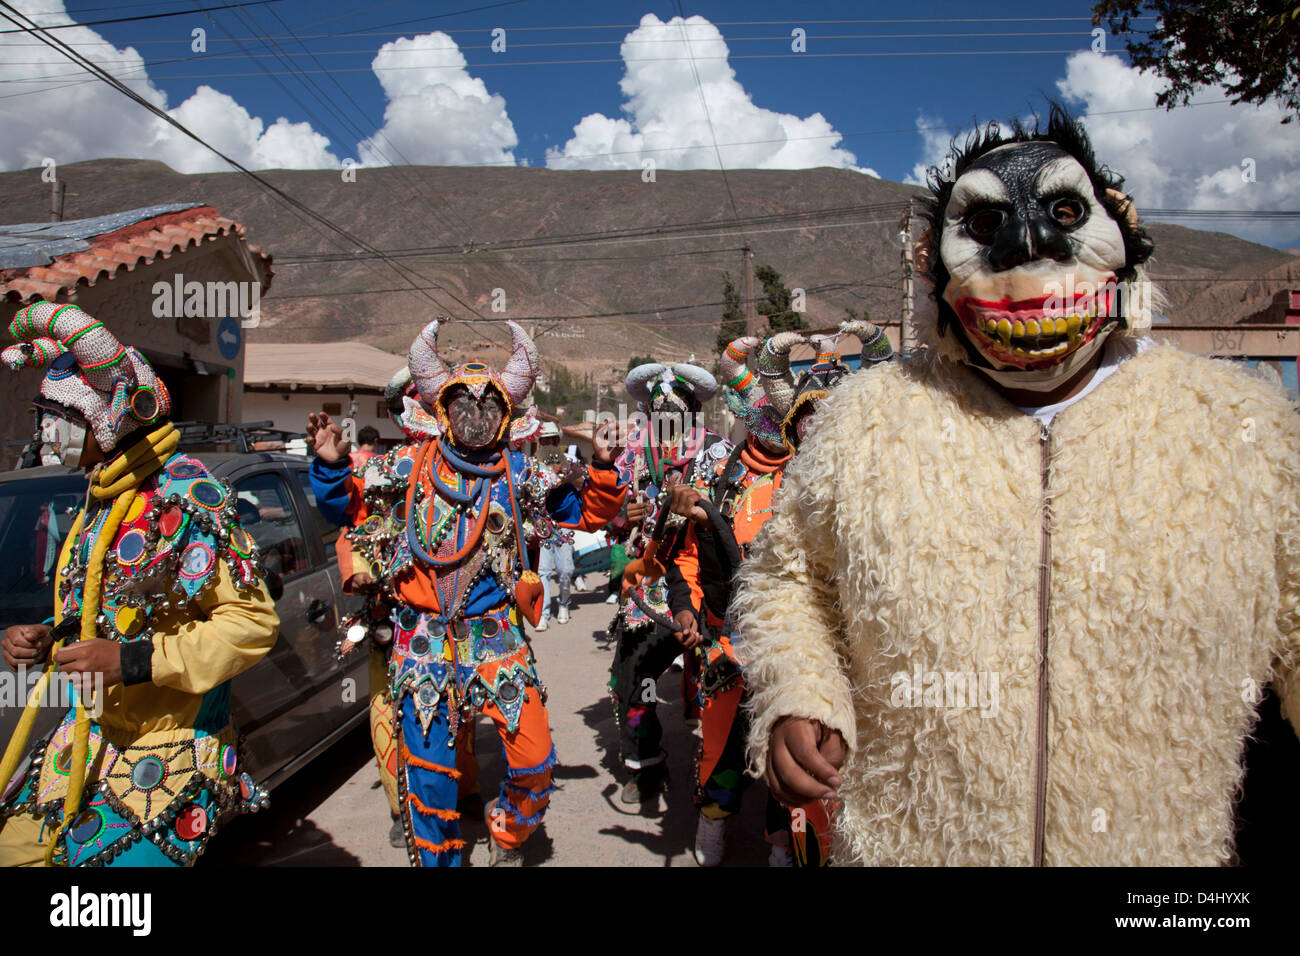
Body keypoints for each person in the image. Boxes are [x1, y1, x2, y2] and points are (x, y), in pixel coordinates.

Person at [736, 105, 1300, 866]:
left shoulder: (1248, 432)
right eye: (985, 222)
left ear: (1125, 238)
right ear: (933, 269)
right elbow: (787, 581)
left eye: (1064, 211)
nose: (1026, 240)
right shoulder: (865, 421)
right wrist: (798, 689)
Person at [307, 318, 628, 866]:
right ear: (440, 411)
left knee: (534, 761)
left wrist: (600, 465)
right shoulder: (405, 468)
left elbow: (587, 515)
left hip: (498, 641)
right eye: (462, 405)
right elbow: (347, 511)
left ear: (507, 415)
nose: (475, 416)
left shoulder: (521, 473)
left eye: (488, 407)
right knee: (430, 786)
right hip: (424, 646)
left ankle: (506, 832)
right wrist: (332, 467)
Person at [0, 301, 279, 866]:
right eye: (46, 416)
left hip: (167, 749)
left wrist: (131, 662)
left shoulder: (188, 497)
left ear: (110, 423)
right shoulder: (97, 501)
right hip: (90, 734)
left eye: (64, 419)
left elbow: (252, 624)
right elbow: (110, 609)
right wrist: (48, 637)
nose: (47, 432)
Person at [665, 324, 893, 866]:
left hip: (816, 650)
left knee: (802, 759)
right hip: (730, 641)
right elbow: (686, 555)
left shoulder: (833, 487)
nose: (778, 430)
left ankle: (786, 846)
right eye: (787, 419)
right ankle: (714, 822)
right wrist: (685, 606)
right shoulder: (718, 474)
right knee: (722, 749)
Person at [607, 360, 727, 807]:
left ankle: (718, 778)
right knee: (633, 675)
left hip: (705, 579)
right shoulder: (634, 455)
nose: (667, 417)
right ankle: (646, 766)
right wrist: (623, 517)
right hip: (649, 582)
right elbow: (612, 521)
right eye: (659, 410)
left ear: (694, 410)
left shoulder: (716, 453)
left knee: (719, 676)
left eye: (678, 408)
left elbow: (730, 519)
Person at [535, 451, 576, 630]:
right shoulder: (538, 477)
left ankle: (564, 603)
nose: (556, 464)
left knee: (565, 570)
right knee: (543, 571)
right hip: (544, 526)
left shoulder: (570, 478)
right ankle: (544, 614)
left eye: (558, 461)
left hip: (564, 527)